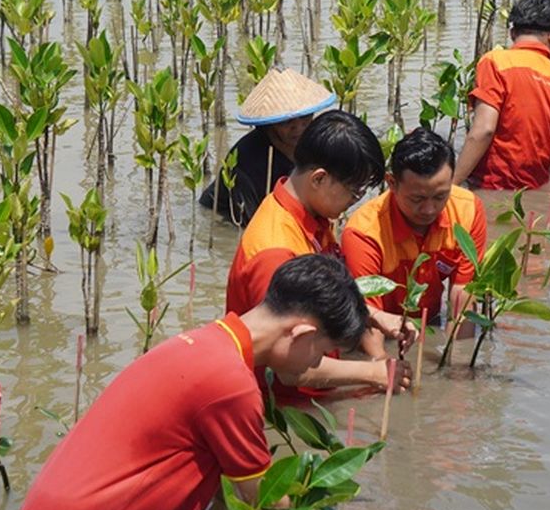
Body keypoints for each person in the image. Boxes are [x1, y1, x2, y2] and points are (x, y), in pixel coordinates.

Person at [6, 254, 370, 510]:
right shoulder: (232, 385)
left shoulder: (202, 343)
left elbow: (222, 494)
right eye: (322, 352)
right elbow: (269, 508)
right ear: (302, 333)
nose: (316, 364)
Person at [226, 109, 413, 401]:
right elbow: (289, 366)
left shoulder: (311, 216)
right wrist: (373, 373)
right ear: (319, 179)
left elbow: (323, 302)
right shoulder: (277, 252)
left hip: (316, 392)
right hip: (283, 409)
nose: (354, 203)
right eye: (354, 191)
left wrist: (372, 316)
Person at [342, 127, 488, 354]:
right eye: (417, 199)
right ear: (391, 183)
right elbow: (368, 315)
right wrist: (381, 369)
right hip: (383, 327)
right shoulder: (364, 232)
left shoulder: (467, 211)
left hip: (429, 322)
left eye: (441, 196)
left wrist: (458, 367)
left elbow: (462, 296)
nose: (430, 209)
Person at [453, 0, 550, 190]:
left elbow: (484, 130)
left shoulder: (495, 62)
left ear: (513, 33)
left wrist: (452, 185)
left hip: (490, 186)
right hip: (535, 191)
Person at [200, 68, 335, 226]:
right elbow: (251, 226)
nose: (298, 127)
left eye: (305, 117)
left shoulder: (314, 143)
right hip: (225, 219)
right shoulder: (247, 162)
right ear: (270, 124)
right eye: (286, 122)